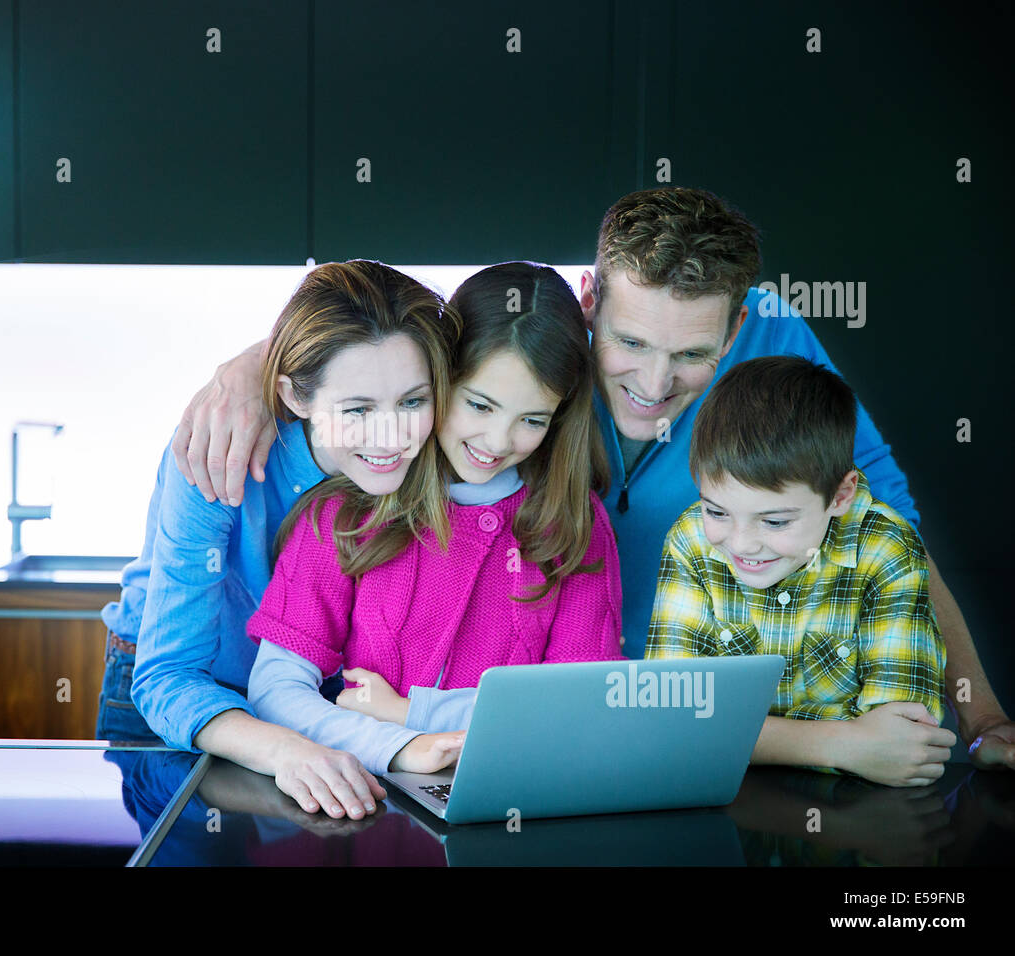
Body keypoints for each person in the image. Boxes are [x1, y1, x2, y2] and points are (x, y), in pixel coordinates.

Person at [170, 187, 1015, 771]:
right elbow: (389, 320)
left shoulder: (777, 349)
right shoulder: (516, 348)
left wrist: (982, 721)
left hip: (672, 702)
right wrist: (257, 362)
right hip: (341, 728)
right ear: (588, 301)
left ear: (741, 327)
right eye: (633, 345)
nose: (654, 383)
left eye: (693, 356)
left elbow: (888, 527)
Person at [95, 259, 460, 820]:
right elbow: (168, 676)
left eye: (413, 401)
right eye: (357, 409)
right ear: (295, 397)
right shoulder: (218, 453)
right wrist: (288, 748)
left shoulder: (443, 455)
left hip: (319, 703)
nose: (392, 437)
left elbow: (536, 343)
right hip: (186, 690)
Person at [245, 262, 623, 774]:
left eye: (532, 420)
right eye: (480, 405)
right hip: (372, 795)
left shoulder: (575, 526)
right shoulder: (348, 512)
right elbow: (276, 689)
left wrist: (413, 714)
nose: (496, 442)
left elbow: (578, 709)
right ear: (439, 378)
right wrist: (396, 746)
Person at [644, 356, 947, 786]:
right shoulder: (691, 540)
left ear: (840, 496)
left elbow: (903, 740)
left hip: (858, 820)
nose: (742, 543)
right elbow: (668, 723)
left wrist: (724, 736)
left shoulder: (886, 549)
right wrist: (842, 743)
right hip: (728, 810)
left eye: (775, 521)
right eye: (717, 510)